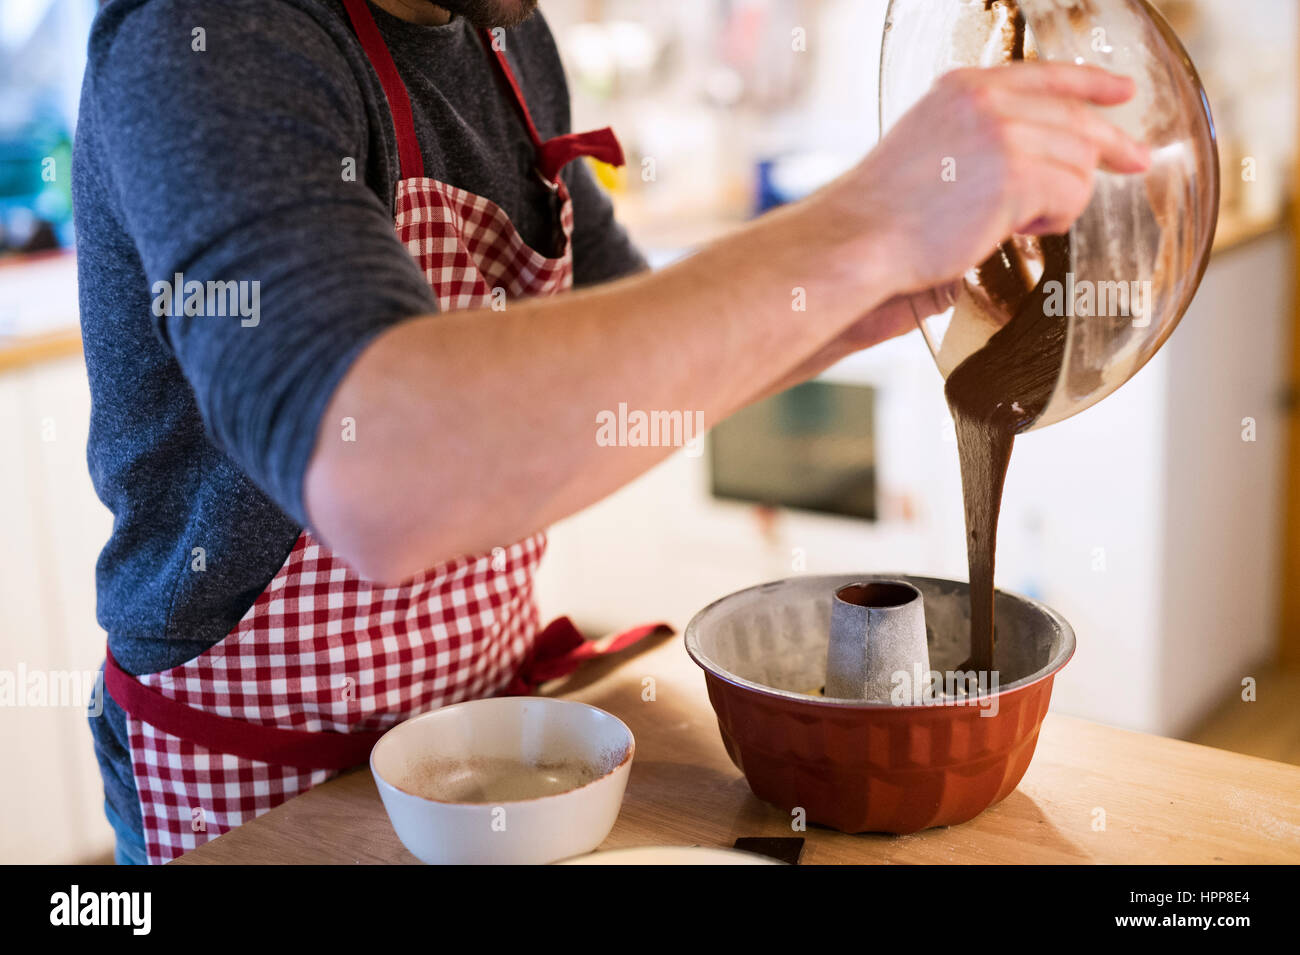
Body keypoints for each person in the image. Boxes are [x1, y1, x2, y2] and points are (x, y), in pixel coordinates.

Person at [74, 0, 1149, 863]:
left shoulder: (504, 38)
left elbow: (644, 343)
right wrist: (862, 221)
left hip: (493, 748)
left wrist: (886, 283)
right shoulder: (207, 37)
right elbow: (379, 476)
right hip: (264, 796)